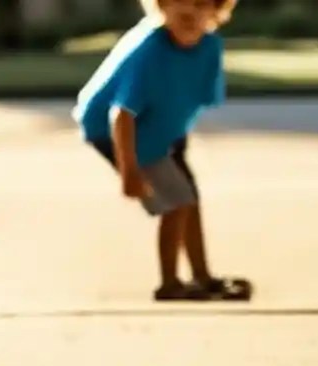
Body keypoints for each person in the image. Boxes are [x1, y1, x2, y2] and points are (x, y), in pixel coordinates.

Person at [73, 0, 252, 301]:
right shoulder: (149, 51)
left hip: (159, 130)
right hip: (114, 130)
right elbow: (122, 114)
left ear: (216, 12)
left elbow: (186, 102)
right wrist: (129, 171)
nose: (190, 12)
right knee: (176, 202)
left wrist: (180, 147)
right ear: (161, 7)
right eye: (178, 3)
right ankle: (169, 283)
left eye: (200, 4)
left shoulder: (209, 48)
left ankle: (202, 277)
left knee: (190, 198)